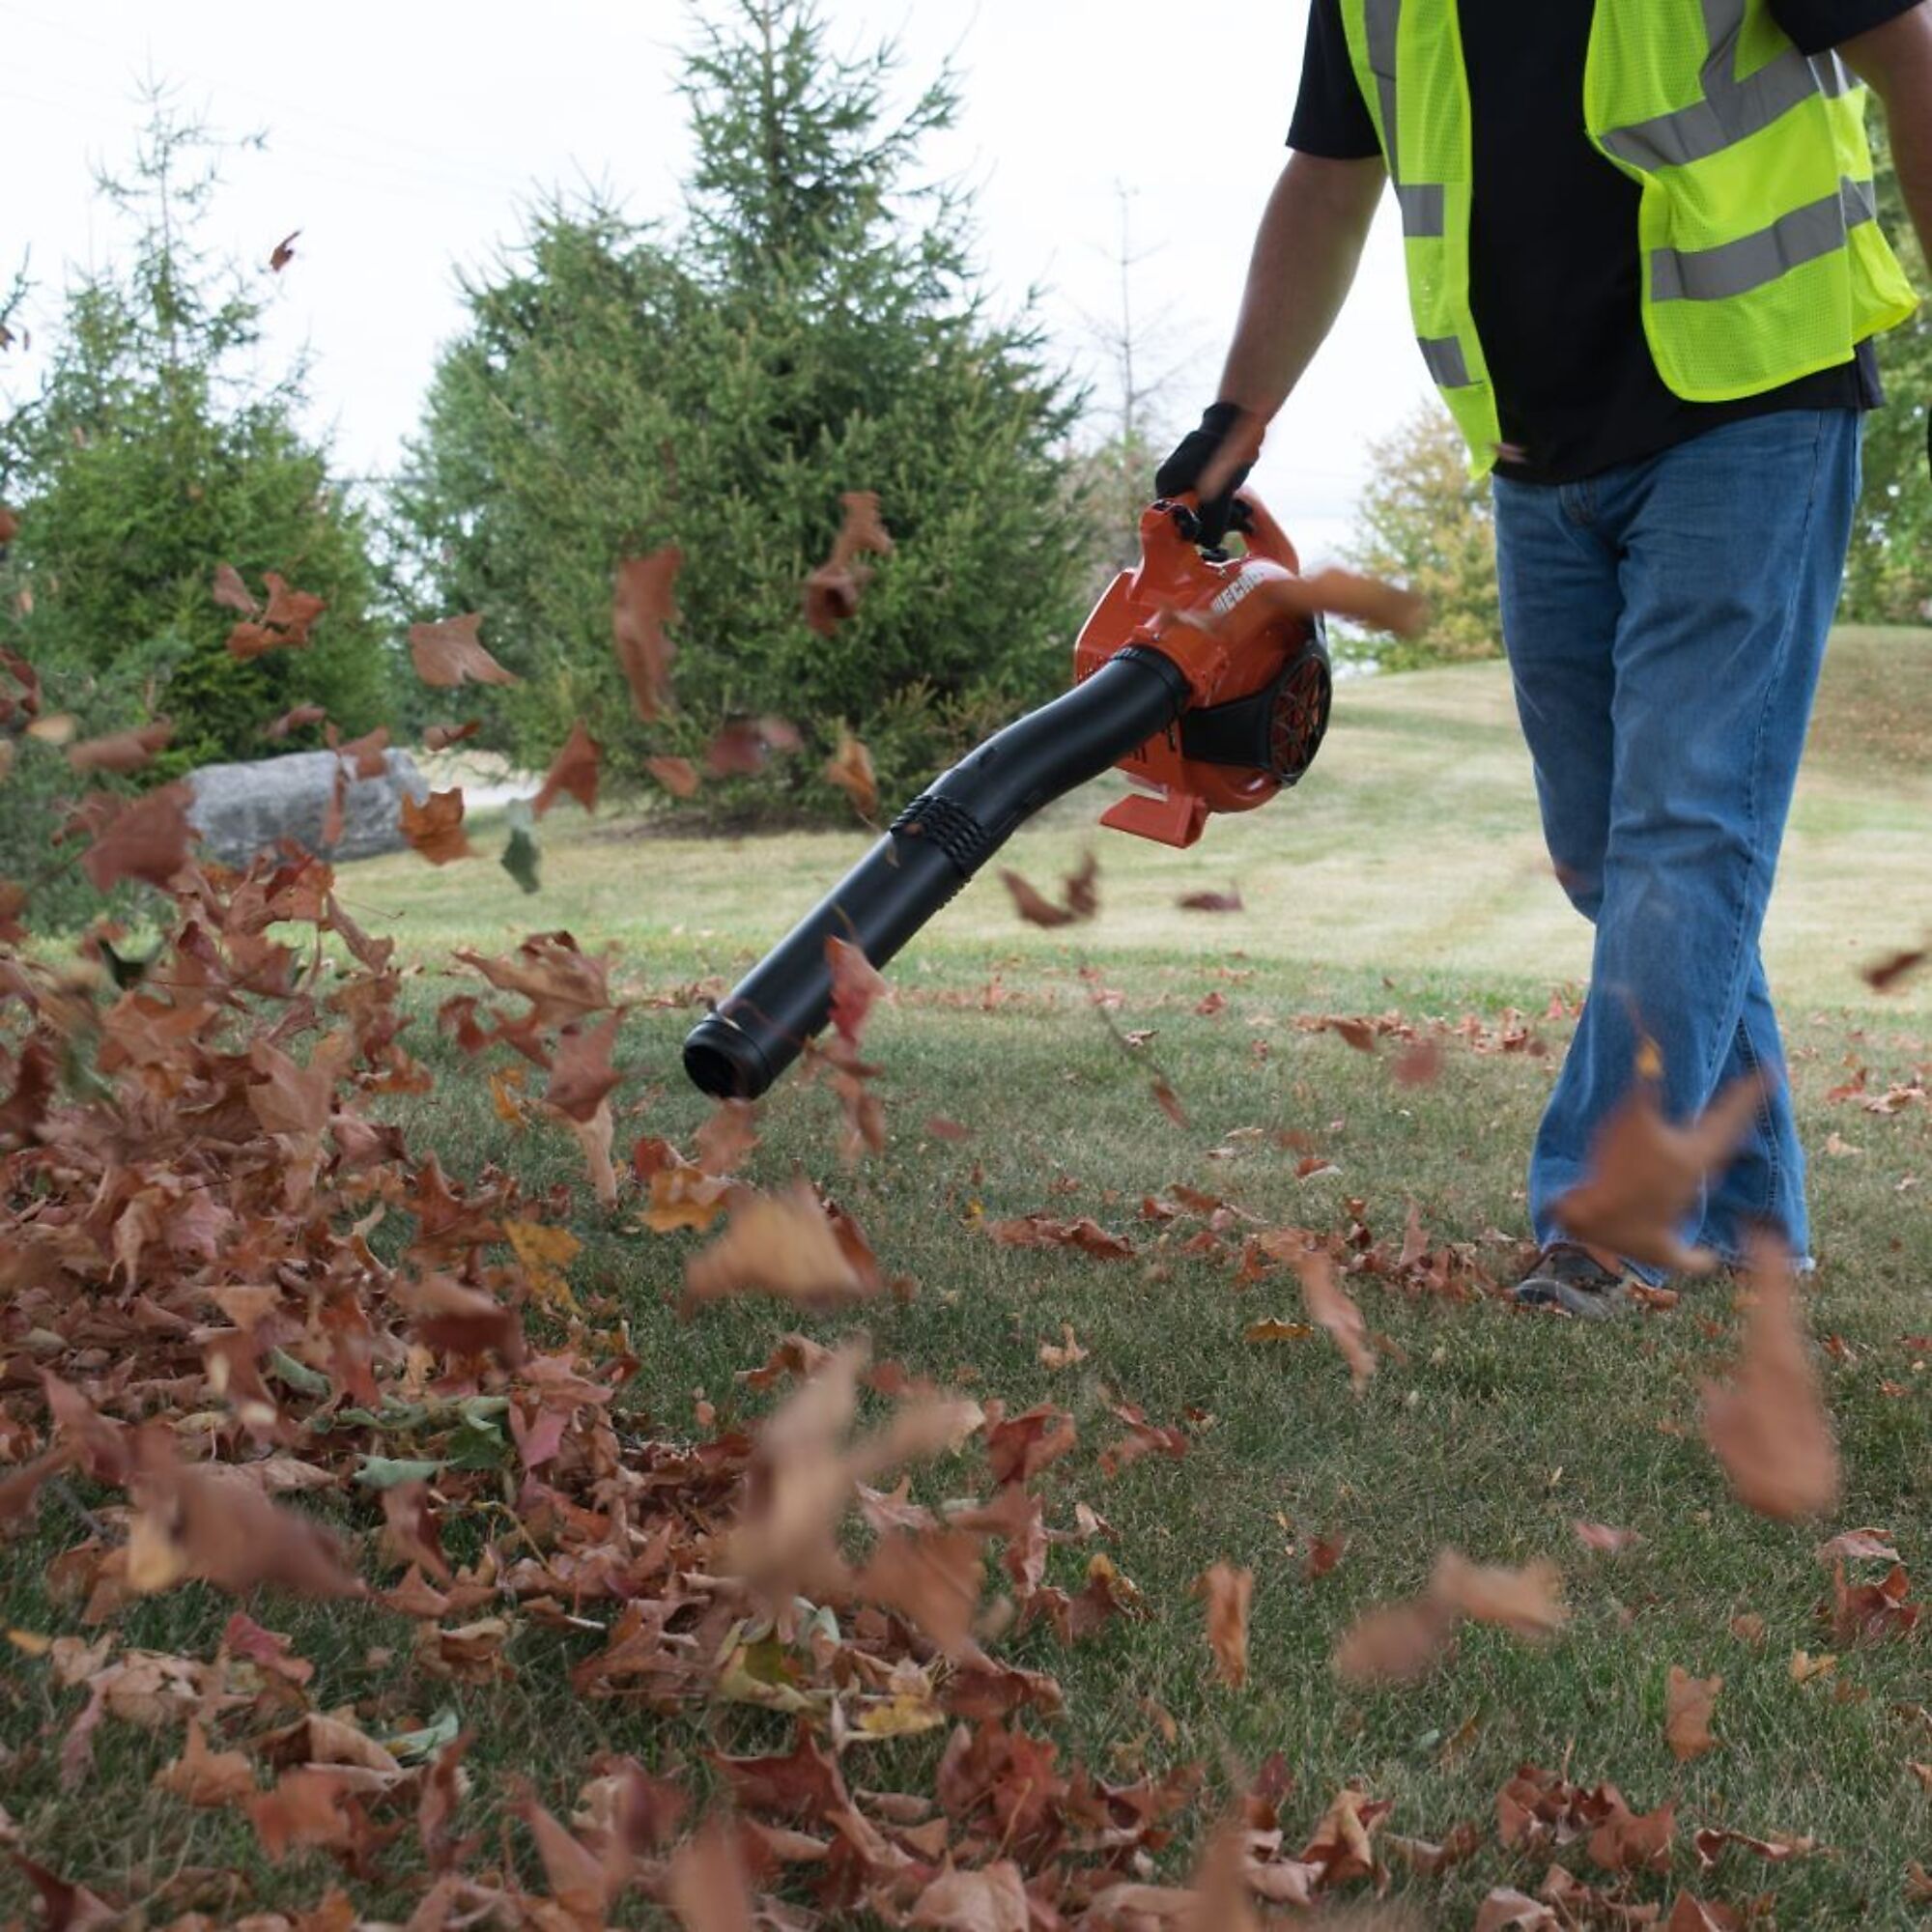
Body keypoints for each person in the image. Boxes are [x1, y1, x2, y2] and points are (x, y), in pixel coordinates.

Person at [1159, 0, 1932, 1318]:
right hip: (1539, 459)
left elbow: (1904, 55)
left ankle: (1604, 1225)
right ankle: (1750, 1234)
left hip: (1755, 404)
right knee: (1610, 853)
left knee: (1682, 831)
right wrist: (1242, 409)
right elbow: (1332, 175)